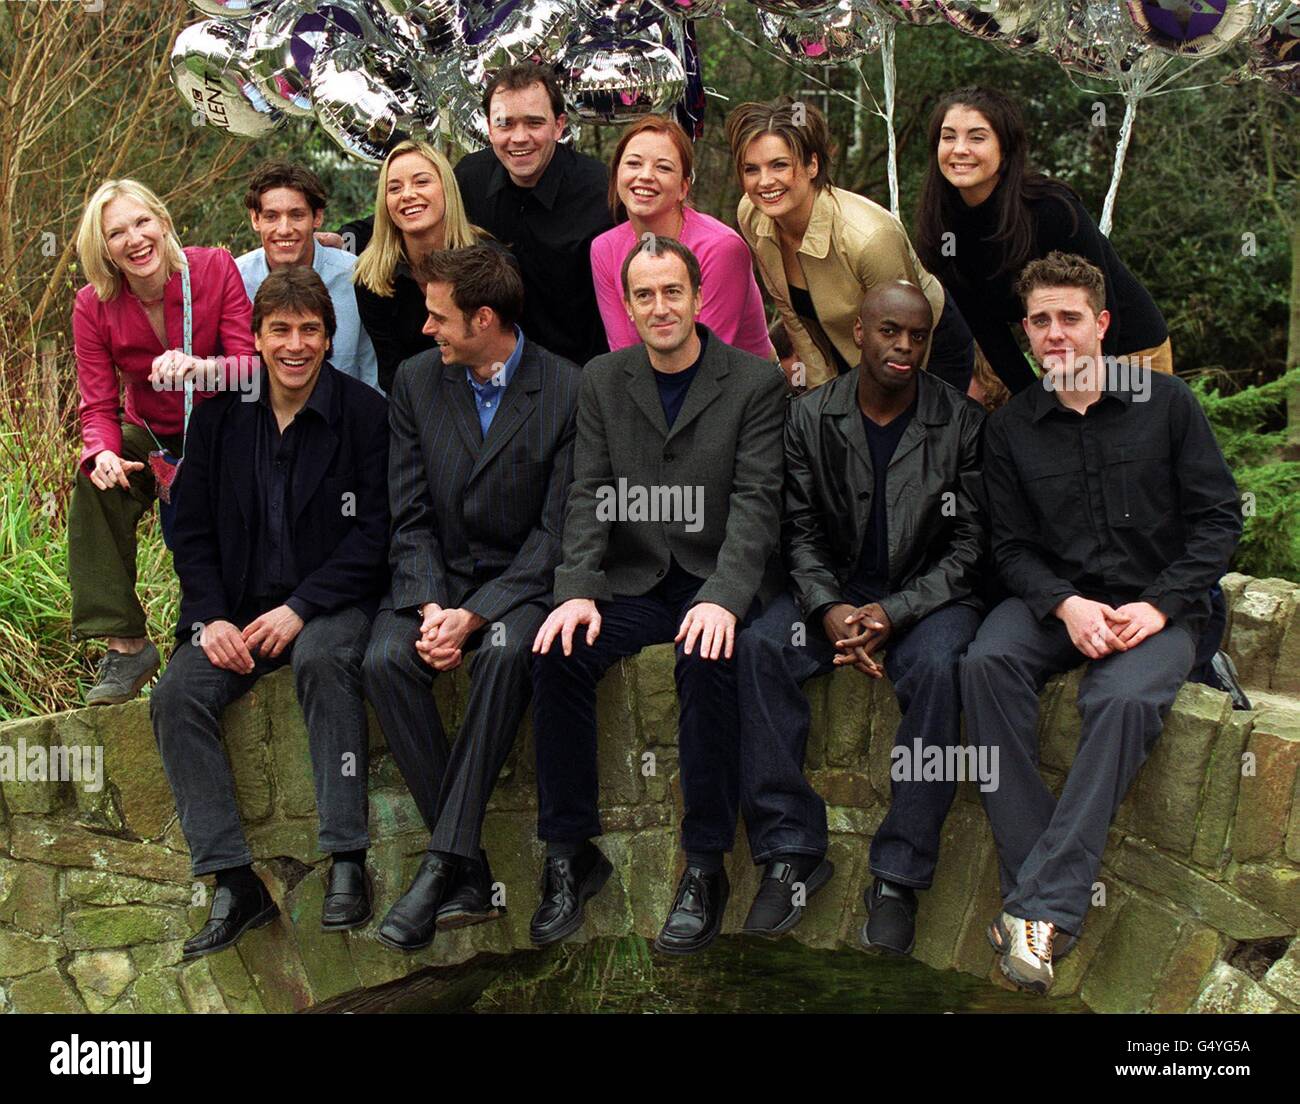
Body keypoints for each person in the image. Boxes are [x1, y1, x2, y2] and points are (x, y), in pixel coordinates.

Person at [962, 252, 1241, 995]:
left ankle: (1035, 911)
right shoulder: (1012, 428)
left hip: (1162, 608)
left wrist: (1158, 604)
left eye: (1070, 319)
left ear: (1102, 325)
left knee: (1118, 700)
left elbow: (1217, 523)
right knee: (984, 663)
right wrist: (1065, 604)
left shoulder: (1167, 404)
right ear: (1026, 332)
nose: (1056, 334)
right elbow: (1009, 547)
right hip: (1060, 606)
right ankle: (1039, 903)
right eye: (1041, 321)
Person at [529, 237, 786, 955]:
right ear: (626, 303)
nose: (660, 307)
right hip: (638, 575)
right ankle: (570, 853)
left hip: (716, 577)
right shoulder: (604, 380)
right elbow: (589, 492)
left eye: (672, 291)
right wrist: (577, 589)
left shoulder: (754, 381)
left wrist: (727, 597)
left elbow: (758, 502)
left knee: (706, 662)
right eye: (644, 294)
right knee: (556, 650)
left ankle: (705, 866)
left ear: (699, 297)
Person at [733, 281, 986, 954]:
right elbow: (797, 528)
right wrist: (829, 607)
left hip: (926, 600)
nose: (904, 347)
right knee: (758, 647)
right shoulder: (810, 416)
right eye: (889, 332)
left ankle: (899, 875)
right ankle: (791, 853)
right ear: (861, 334)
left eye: (918, 336)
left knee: (941, 666)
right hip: (832, 594)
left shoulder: (960, 422)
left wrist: (895, 612)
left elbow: (971, 547)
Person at [151, 266, 390, 960]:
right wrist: (210, 617)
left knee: (322, 660)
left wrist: (301, 607)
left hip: (331, 604)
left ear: (328, 335)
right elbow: (190, 529)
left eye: (309, 330)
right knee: (176, 697)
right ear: (255, 338)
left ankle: (347, 856)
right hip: (236, 614)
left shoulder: (365, 415)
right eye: (280, 330)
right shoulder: (222, 416)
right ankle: (233, 881)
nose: (295, 344)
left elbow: (376, 534)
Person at [361, 246, 581, 952]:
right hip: (437, 583)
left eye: (438, 316)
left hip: (521, 587)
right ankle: (469, 864)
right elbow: (410, 514)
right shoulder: (417, 383)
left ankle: (440, 866)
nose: (426, 329)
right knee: (383, 662)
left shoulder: (569, 389)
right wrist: (430, 608)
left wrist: (478, 613)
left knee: (506, 652)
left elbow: (557, 532)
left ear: (483, 319)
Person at [70, 179, 256, 706]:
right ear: (102, 248)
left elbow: (251, 370)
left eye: (142, 222)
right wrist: (101, 451)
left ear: (164, 221)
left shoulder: (214, 269)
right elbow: (98, 405)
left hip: (219, 426)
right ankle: (126, 645)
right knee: (96, 484)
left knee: (205, 521)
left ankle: (204, 631)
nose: (134, 239)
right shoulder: (92, 306)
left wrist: (203, 368)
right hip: (149, 434)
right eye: (117, 233)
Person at [915, 86, 1170, 395]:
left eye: (977, 137)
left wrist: (1096, 392)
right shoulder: (942, 228)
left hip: (1128, 348)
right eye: (949, 136)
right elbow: (986, 329)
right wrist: (1032, 398)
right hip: (1060, 355)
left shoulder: (1051, 209)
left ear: (1005, 149)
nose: (960, 149)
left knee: (1120, 439)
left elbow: (1103, 300)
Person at [727, 97, 974, 393]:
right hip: (842, 344)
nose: (764, 182)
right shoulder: (752, 213)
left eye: (779, 165)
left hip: (922, 347)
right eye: (751, 169)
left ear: (812, 165)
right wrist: (822, 401)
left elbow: (903, 337)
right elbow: (793, 318)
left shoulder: (870, 237)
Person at [453, 62, 613, 367]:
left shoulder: (600, 191)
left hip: (579, 374)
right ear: (489, 127)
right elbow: (416, 218)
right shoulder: (469, 178)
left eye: (534, 123)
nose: (519, 137)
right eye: (505, 123)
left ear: (559, 125)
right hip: (493, 371)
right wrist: (349, 237)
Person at [590, 115, 771, 359]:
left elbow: (707, 359)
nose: (645, 175)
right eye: (633, 164)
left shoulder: (721, 248)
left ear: (683, 188)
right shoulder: (604, 248)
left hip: (734, 388)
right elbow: (624, 355)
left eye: (663, 167)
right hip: (648, 386)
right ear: (616, 175)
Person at [353, 139, 488, 392]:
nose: (408, 194)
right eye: (394, 188)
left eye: (421, 181)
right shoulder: (371, 277)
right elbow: (392, 376)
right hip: (416, 409)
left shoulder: (489, 264)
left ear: (446, 188)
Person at [236, 159, 380, 392]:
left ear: (317, 217)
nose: (284, 229)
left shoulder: (356, 278)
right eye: (271, 216)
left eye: (296, 215)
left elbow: (372, 372)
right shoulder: (236, 281)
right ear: (255, 219)